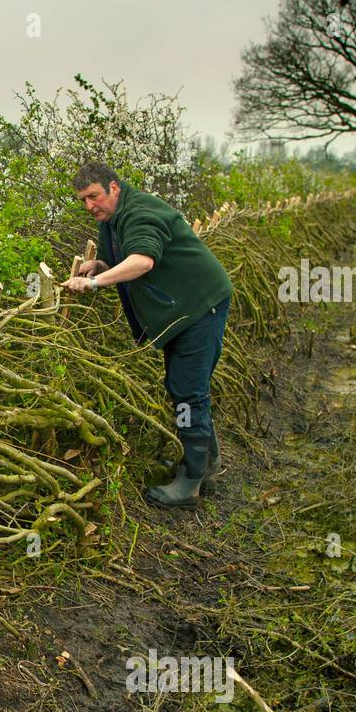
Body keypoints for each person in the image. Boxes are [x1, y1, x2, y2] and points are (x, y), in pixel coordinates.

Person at [62, 161, 232, 509]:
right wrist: (103, 266)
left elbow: (142, 261)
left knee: (188, 392)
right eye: (83, 200)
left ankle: (191, 483)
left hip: (199, 308)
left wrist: (92, 282)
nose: (90, 205)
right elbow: (128, 260)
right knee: (183, 388)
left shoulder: (138, 212)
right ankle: (205, 464)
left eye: (94, 196)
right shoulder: (113, 218)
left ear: (114, 188)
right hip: (182, 311)